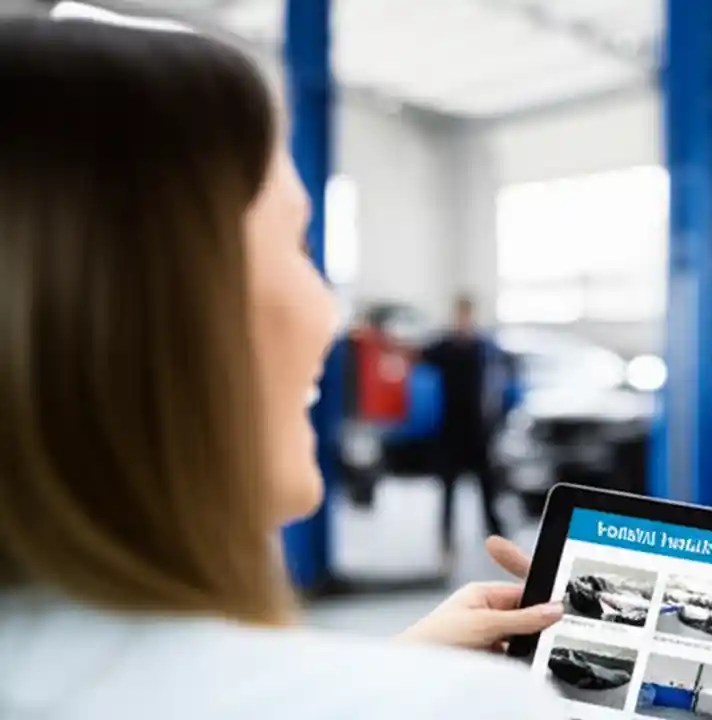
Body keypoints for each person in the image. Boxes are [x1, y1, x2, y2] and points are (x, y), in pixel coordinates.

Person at [0, 16, 566, 719]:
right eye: (297, 243)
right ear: (153, 310)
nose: (327, 315)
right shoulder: (486, 706)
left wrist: (389, 677)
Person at [422, 295, 516, 561]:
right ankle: (446, 542)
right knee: (448, 491)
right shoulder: (444, 348)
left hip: (478, 432)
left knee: (487, 490)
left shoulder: (484, 349)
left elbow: (499, 382)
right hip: (451, 431)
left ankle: (498, 538)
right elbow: (416, 356)